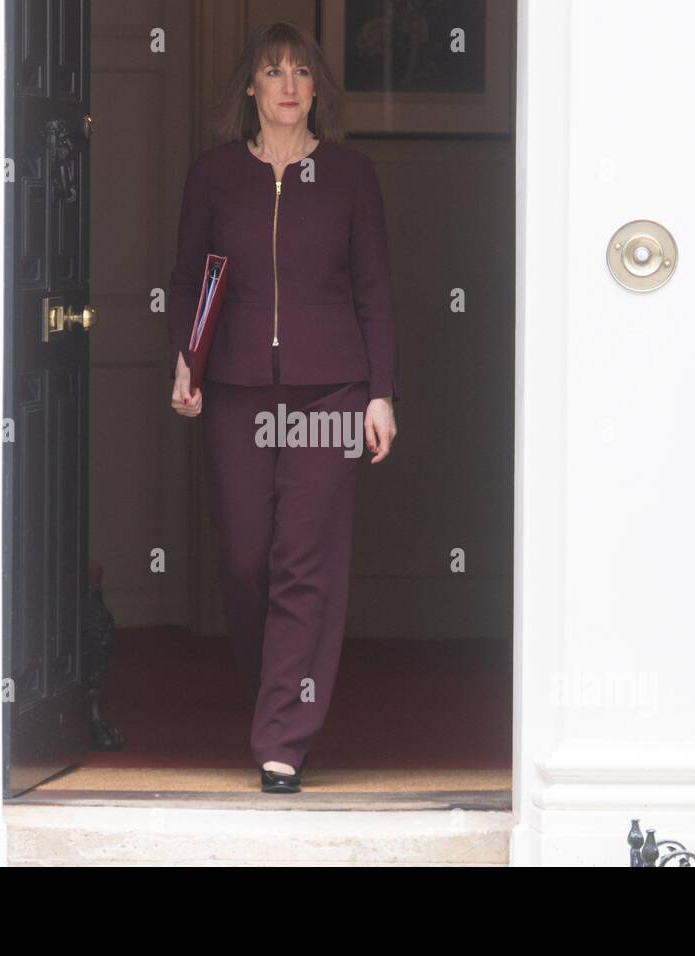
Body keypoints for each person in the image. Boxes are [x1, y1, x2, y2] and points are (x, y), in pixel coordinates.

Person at [167, 21, 399, 793]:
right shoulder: (214, 176)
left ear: (316, 91)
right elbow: (197, 281)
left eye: (301, 73)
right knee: (245, 560)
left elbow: (375, 294)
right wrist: (186, 363)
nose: (289, 86)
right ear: (252, 89)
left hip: (331, 390)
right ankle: (273, 687)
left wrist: (380, 395)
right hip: (236, 390)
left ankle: (283, 740)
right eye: (274, 73)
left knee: (306, 560)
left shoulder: (350, 177)